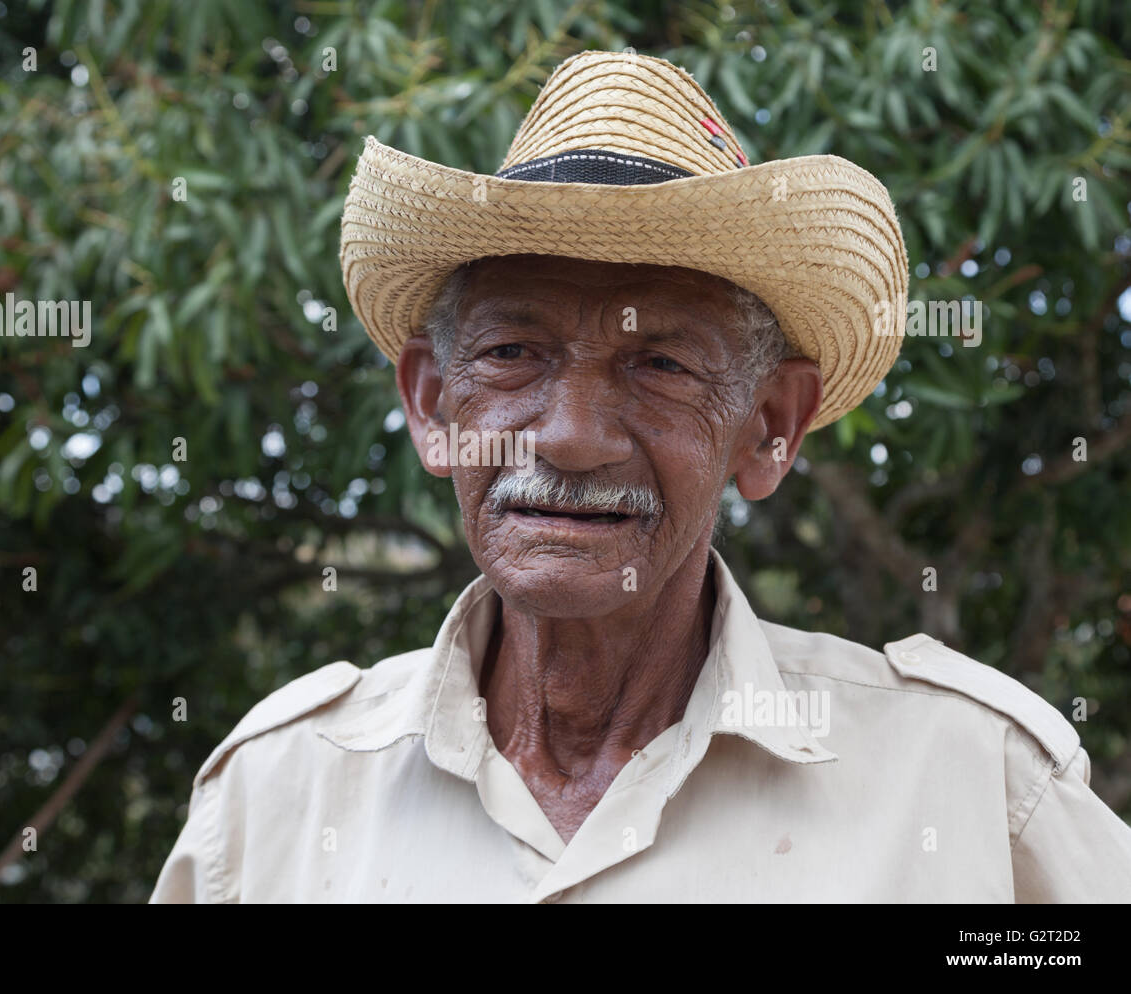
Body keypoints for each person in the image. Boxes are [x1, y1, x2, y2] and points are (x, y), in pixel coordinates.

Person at [150, 50, 1131, 903]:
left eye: (660, 365)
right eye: (511, 353)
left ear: (769, 428)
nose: (571, 435)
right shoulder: (274, 795)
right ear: (429, 404)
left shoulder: (969, 785)